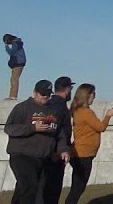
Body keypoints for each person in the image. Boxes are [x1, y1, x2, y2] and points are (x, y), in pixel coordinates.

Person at [3, 80, 71, 204]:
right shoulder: (23, 108)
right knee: (30, 189)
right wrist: (32, 128)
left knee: (27, 189)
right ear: (35, 92)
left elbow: (59, 133)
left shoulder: (52, 111)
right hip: (22, 156)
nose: (45, 97)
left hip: (42, 158)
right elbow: (9, 128)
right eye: (42, 94)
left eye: (48, 94)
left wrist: (63, 149)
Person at [67, 83, 113, 204]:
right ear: (87, 95)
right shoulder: (86, 112)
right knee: (78, 188)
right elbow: (100, 127)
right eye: (93, 94)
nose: (94, 97)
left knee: (77, 186)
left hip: (81, 152)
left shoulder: (79, 111)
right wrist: (108, 116)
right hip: (83, 154)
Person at [41, 76, 76, 204]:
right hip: (54, 155)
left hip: (52, 153)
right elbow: (51, 131)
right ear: (67, 89)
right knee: (50, 191)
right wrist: (57, 151)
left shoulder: (53, 104)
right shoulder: (58, 106)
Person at [3, 34, 26, 100]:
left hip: (18, 64)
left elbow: (11, 52)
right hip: (19, 63)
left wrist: (6, 46)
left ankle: (13, 97)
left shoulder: (15, 43)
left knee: (14, 80)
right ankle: (12, 96)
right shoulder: (17, 42)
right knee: (13, 79)